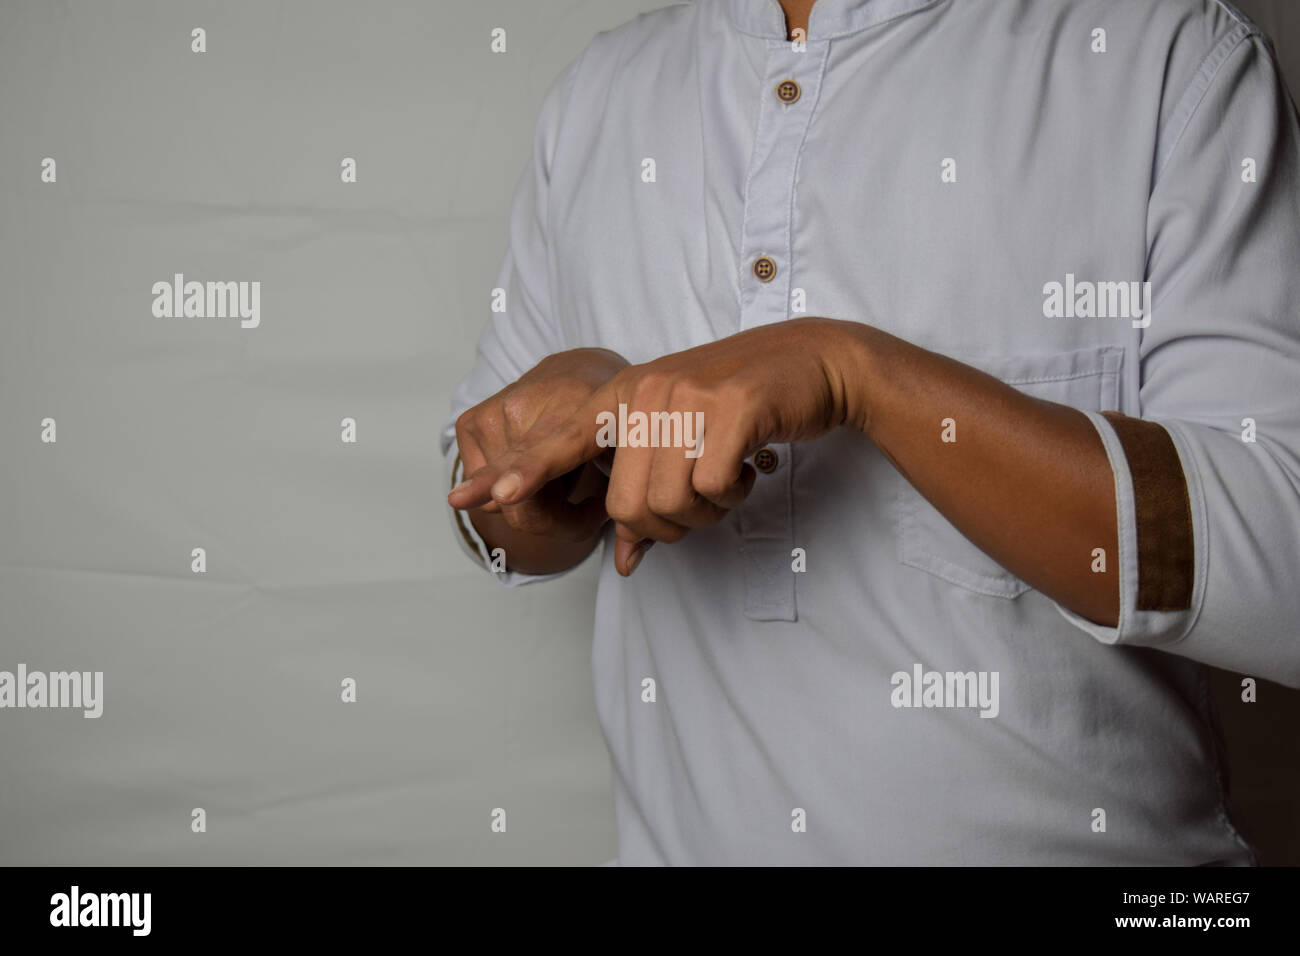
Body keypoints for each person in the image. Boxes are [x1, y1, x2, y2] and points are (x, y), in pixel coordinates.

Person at [442, 0, 1300, 865]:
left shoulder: (1170, 55)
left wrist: (857, 375)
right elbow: (489, 514)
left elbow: (1284, 577)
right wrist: (540, 489)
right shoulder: (602, 90)